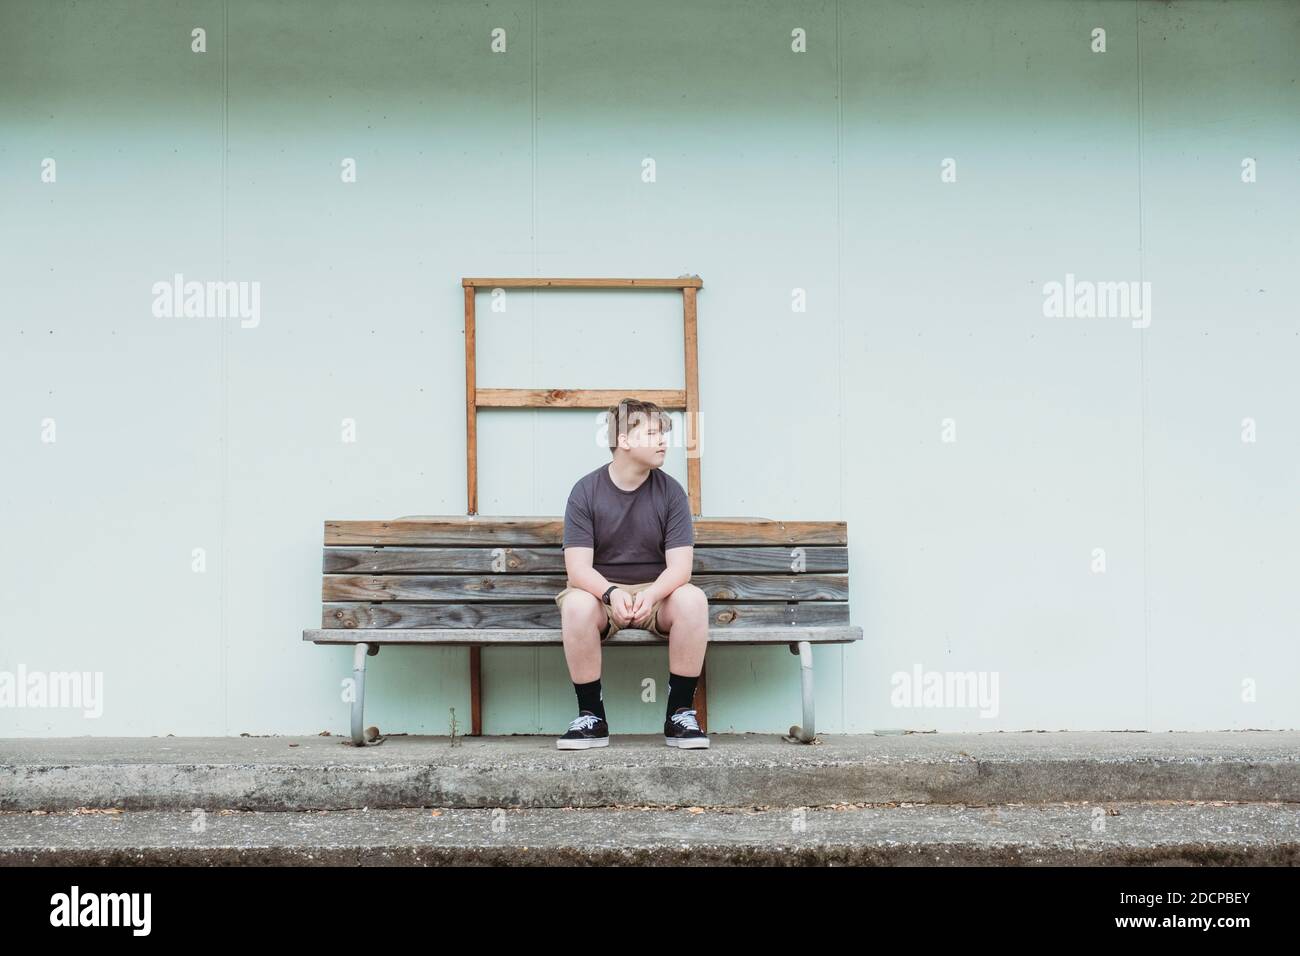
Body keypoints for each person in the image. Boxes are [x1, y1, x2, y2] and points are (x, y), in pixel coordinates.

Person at [552, 398, 710, 749]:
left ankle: (679, 714)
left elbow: (680, 568)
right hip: (601, 596)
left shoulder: (671, 492)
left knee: (693, 600)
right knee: (576, 605)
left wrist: (651, 595)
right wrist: (611, 593)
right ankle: (591, 716)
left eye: (663, 433)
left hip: (657, 595)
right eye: (652, 432)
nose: (663, 441)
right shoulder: (585, 491)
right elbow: (578, 569)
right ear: (623, 440)